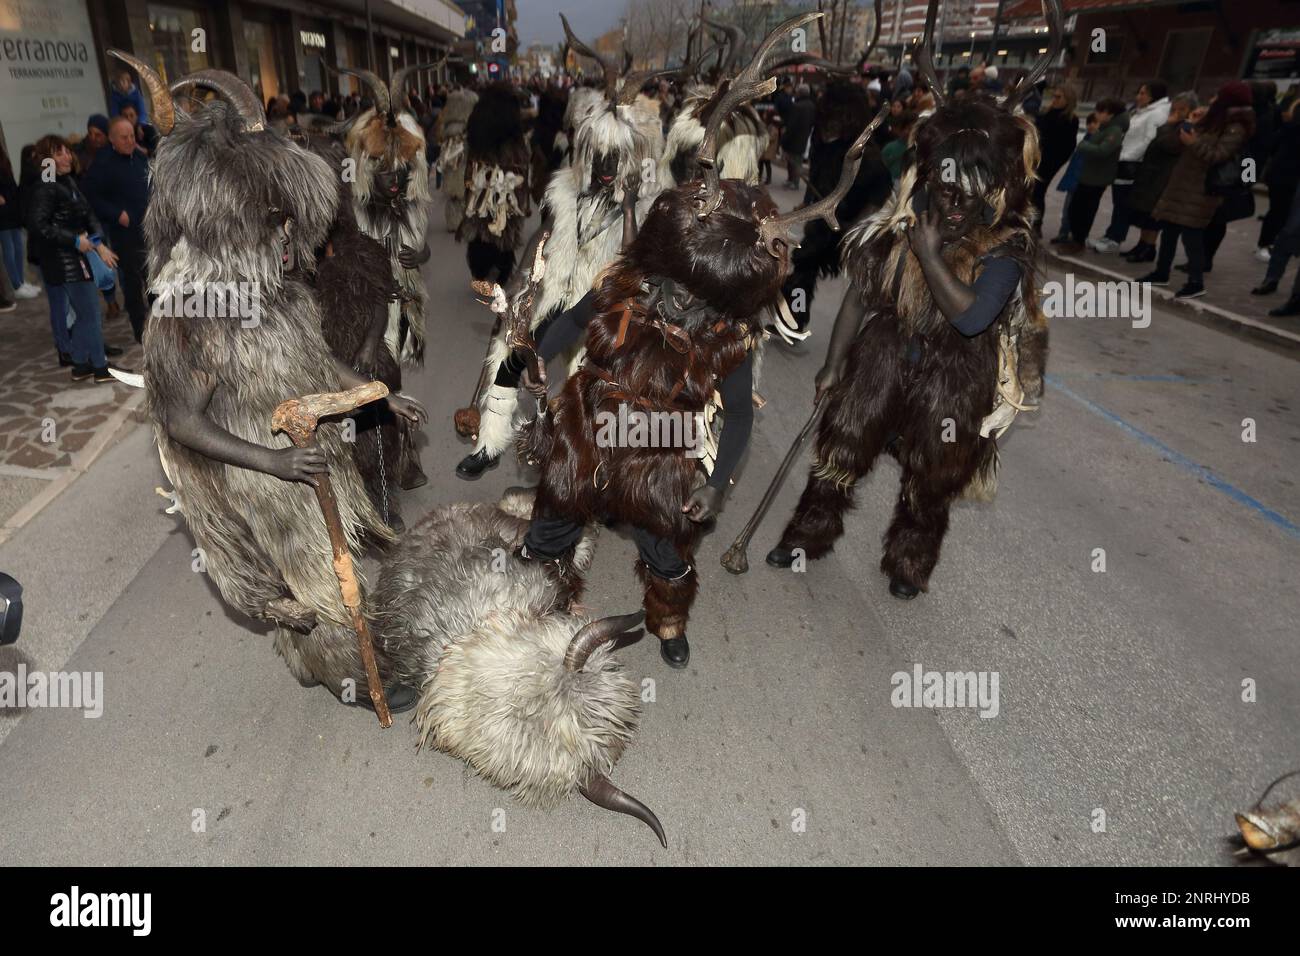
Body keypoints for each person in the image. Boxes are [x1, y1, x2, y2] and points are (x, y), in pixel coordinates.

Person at [1141, 81, 1255, 299]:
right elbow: (1175, 143)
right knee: (1169, 231)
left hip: (1202, 189)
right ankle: (1161, 272)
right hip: (1182, 183)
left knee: (1192, 236)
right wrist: (1185, 123)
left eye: (1218, 97)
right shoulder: (1212, 119)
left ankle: (1195, 282)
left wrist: (1194, 142)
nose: (1213, 100)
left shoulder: (1235, 127)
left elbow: (1218, 155)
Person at [26, 135, 120, 382]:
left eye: (67, 151)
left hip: (77, 257)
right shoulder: (46, 186)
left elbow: (88, 215)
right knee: (91, 314)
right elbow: (38, 225)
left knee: (84, 314)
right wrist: (76, 241)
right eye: (59, 153)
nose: (67, 156)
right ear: (47, 160)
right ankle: (100, 367)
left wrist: (97, 242)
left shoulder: (66, 182)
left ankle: (80, 364)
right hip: (66, 261)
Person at [81, 116, 150, 343]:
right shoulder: (102, 164)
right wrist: (116, 214)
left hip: (149, 230)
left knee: (157, 280)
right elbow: (92, 197)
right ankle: (140, 329)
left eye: (132, 136)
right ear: (112, 139)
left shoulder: (140, 158)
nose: (130, 140)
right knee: (132, 282)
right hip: (125, 234)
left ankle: (163, 325)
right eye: (124, 137)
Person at [1092, 82, 1169, 252]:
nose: (1138, 96)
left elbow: (1148, 140)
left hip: (1131, 165)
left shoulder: (1156, 114)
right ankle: (1111, 234)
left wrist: (1128, 156)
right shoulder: (1140, 111)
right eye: (1139, 92)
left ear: (1153, 96)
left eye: (1143, 93)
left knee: (1123, 203)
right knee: (1118, 201)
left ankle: (1116, 238)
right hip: (1123, 161)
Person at [1122, 92, 1196, 263]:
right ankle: (1142, 244)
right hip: (1152, 175)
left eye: (1182, 109)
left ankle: (1149, 248)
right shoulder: (1174, 125)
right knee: (1145, 214)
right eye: (1174, 109)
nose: (1177, 112)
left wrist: (1167, 126)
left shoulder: (1185, 127)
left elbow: (1168, 144)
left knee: (1153, 216)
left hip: (1164, 178)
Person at [1057, 98, 1127, 253]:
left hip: (1097, 179)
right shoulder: (1105, 128)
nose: (1097, 114)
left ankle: (1078, 241)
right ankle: (1074, 238)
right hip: (1088, 175)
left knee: (1085, 211)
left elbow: (1102, 150)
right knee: (1075, 209)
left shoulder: (1114, 131)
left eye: (1100, 111)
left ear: (1109, 114)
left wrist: (1083, 145)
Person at [1032, 84, 1079, 234]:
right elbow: (1037, 128)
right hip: (1035, 158)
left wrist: (1053, 163)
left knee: (1038, 192)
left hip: (1049, 162)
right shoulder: (1048, 112)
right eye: (1054, 96)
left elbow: (1068, 146)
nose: (1055, 99)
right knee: (1031, 191)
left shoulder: (1070, 119)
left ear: (1068, 99)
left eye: (1058, 97)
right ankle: (1030, 221)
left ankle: (1036, 225)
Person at [1256, 92, 1297, 261]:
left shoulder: (1270, 117)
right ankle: (1265, 244)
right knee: (1278, 212)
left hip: (1270, 170)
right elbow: (1260, 148)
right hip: (1277, 173)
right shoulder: (1272, 120)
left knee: (1281, 212)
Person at [0, 144, 39, 299]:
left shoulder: (4, 161)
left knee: (18, 247)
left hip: (11, 208)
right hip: (3, 213)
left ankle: (21, 282)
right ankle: (16, 285)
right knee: (9, 249)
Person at [781, 83, 815, 189]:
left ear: (799, 93)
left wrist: (784, 139)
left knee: (792, 161)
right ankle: (793, 181)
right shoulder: (812, 106)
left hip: (794, 137)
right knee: (798, 160)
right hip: (804, 136)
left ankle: (793, 181)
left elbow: (791, 125)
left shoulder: (797, 106)